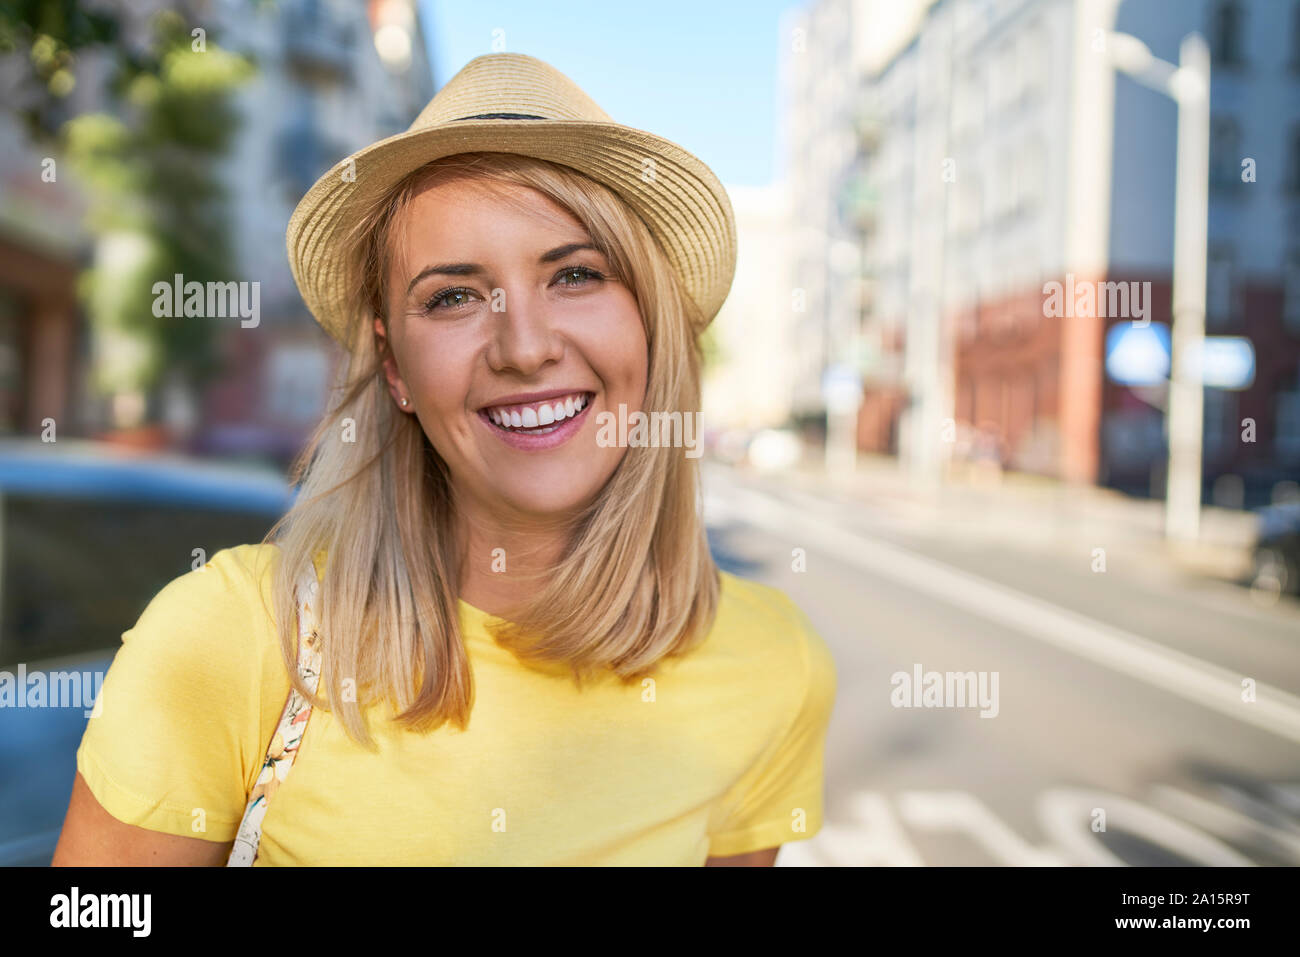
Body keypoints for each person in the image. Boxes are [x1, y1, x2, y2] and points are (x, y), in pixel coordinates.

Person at [52, 52, 836, 866]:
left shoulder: (772, 662)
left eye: (575, 274)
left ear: (650, 324)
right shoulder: (226, 640)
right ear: (395, 368)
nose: (525, 348)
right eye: (454, 295)